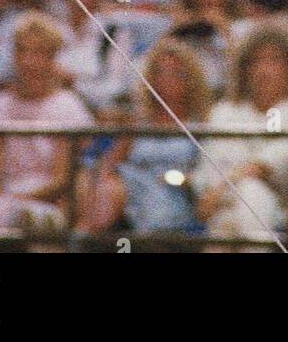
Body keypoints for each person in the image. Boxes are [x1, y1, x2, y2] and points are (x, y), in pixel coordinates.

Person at [191, 28, 288, 245]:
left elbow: (265, 166)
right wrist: (212, 192)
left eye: (274, 61)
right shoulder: (224, 111)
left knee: (252, 192)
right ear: (245, 69)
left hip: (280, 207)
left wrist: (221, 189)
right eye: (256, 62)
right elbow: (211, 164)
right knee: (227, 222)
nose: (264, 70)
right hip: (221, 205)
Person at [0, 14, 93, 235]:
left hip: (48, 199)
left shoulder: (68, 106)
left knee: (30, 217)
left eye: (38, 52)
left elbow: (61, 180)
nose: (28, 61)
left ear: (52, 58)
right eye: (22, 51)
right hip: (5, 192)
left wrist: (10, 202)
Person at [76, 39, 208, 238]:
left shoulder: (201, 124)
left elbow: (205, 173)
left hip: (175, 194)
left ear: (189, 79)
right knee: (107, 188)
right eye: (160, 72)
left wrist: (184, 179)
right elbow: (109, 165)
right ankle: (80, 239)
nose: (166, 80)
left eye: (175, 73)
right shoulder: (138, 124)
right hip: (131, 194)